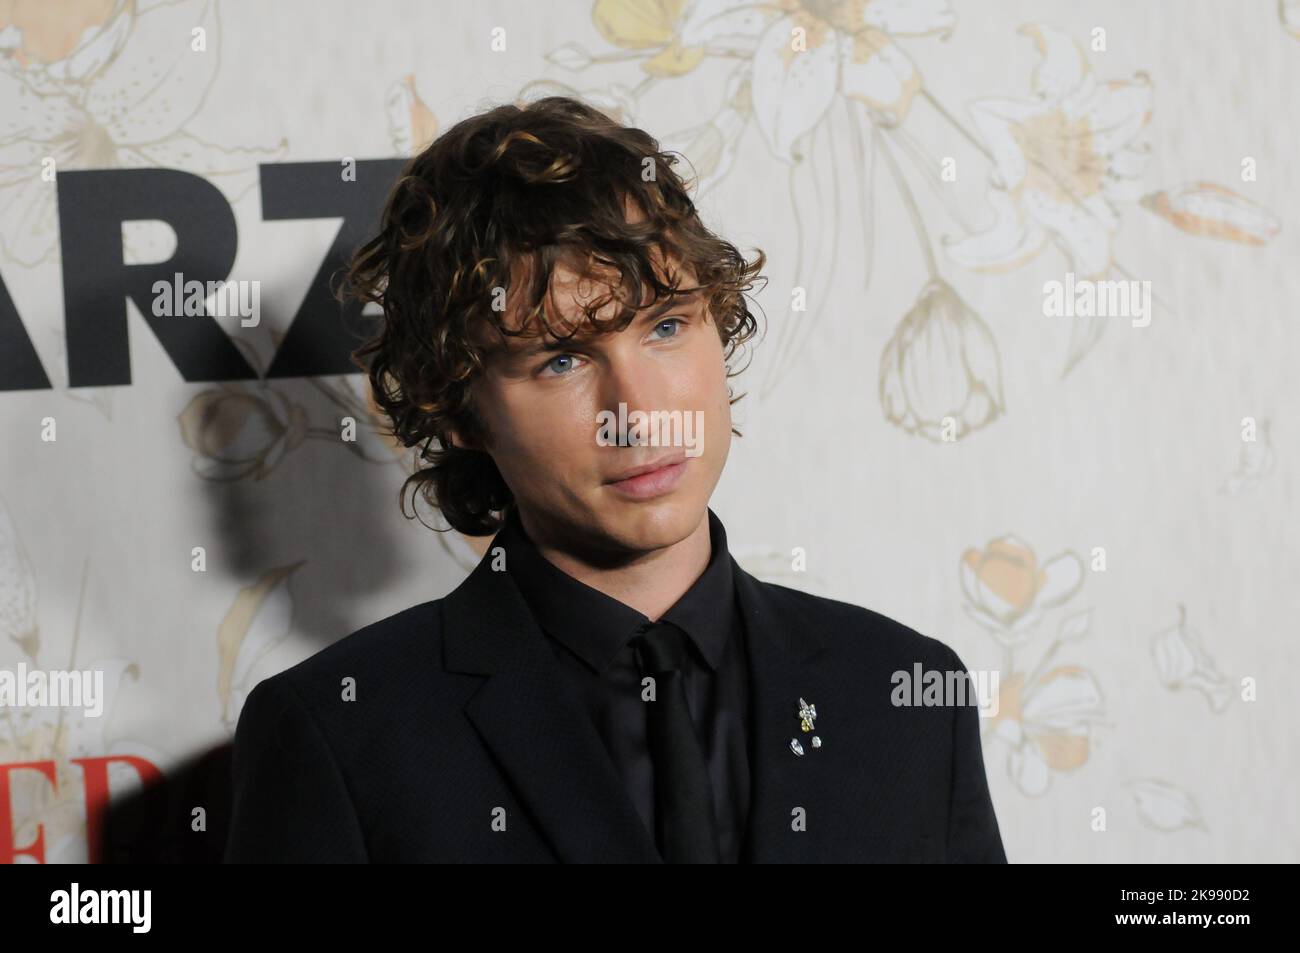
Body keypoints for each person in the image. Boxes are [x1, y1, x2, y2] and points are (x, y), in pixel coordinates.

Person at [223, 95, 1007, 863]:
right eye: (561, 359)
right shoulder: (339, 734)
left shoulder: (905, 693)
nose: (638, 413)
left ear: (718, 324)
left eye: (665, 327)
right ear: (458, 405)